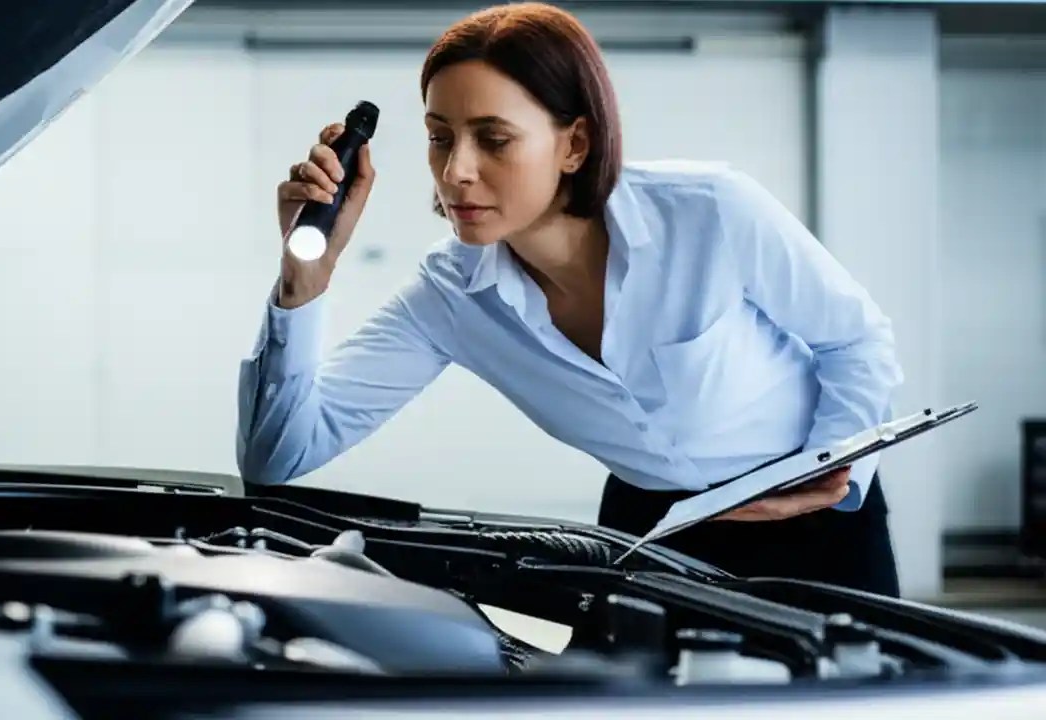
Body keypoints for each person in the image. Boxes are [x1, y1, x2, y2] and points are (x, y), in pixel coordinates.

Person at [236, 2, 904, 597]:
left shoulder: (711, 213)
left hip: (816, 522)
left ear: (575, 143)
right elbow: (278, 453)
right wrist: (306, 277)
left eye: (494, 139)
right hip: (653, 532)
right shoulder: (449, 298)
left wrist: (831, 468)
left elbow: (855, 338)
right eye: (440, 137)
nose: (456, 170)